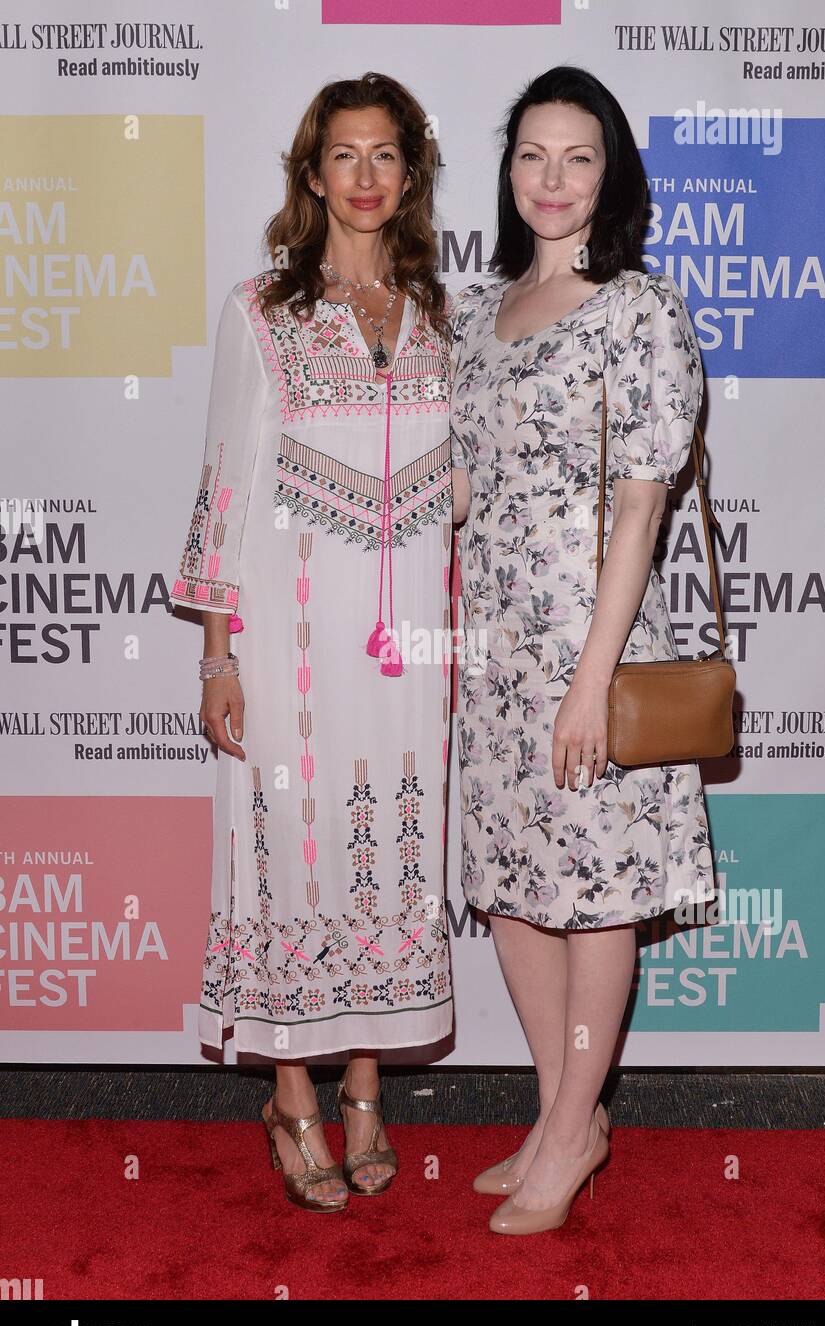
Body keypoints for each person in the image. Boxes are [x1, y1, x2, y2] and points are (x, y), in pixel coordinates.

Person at [169, 73, 457, 1212]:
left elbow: (464, 488)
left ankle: (365, 1091)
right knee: (290, 844)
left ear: (409, 174)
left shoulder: (443, 316)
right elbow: (222, 491)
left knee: (393, 849)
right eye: (345, 155)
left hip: (408, 655)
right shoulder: (261, 313)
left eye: (386, 155)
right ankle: (292, 1090)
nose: (367, 177)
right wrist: (215, 652)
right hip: (288, 644)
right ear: (309, 173)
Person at [448, 65, 718, 1235]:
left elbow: (639, 510)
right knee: (516, 891)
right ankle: (562, 1111)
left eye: (576, 157)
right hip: (492, 653)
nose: (550, 181)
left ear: (609, 175)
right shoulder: (478, 312)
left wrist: (588, 683)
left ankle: (570, 1132)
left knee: (597, 895)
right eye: (529, 157)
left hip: (588, 644)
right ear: (506, 174)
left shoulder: (638, 309)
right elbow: (462, 487)